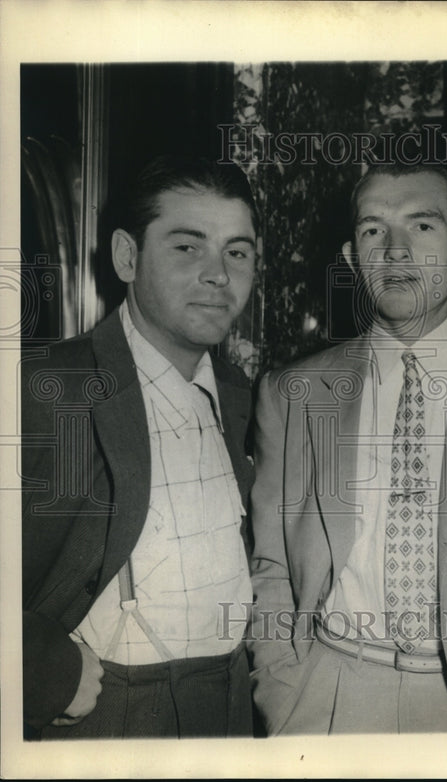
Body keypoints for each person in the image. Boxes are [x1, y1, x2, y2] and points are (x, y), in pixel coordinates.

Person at [248, 162, 447, 734]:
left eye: (422, 227)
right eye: (374, 230)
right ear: (352, 258)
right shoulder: (292, 394)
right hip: (329, 699)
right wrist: (284, 690)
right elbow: (271, 568)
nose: (395, 251)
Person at [22, 155, 258, 738]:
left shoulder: (242, 398)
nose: (219, 275)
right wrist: (40, 669)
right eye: (187, 247)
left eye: (237, 251)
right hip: (106, 712)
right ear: (128, 257)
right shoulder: (50, 390)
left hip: (228, 705)